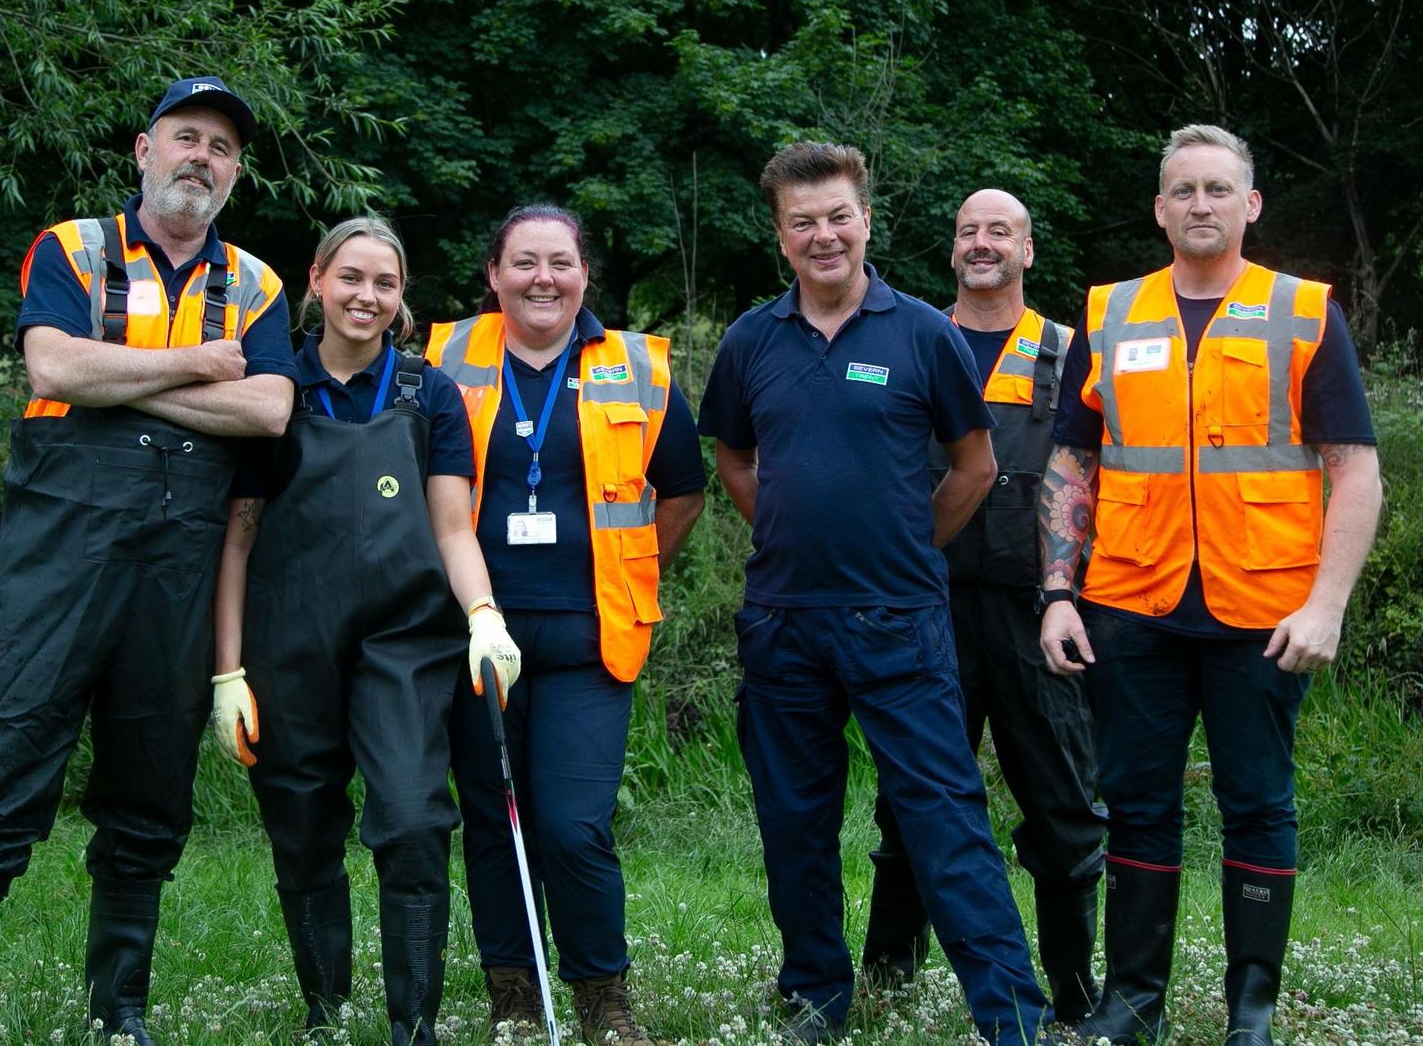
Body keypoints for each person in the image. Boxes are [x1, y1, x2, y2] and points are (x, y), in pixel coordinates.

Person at [0, 77, 298, 1046]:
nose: (202, 157)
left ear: (235, 173)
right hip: (60, 563)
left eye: (222, 148)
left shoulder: (258, 285)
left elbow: (269, 410)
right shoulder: (71, 247)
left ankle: (120, 1012)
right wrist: (198, 365)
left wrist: (116, 379)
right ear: (144, 150)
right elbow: (54, 368)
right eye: (186, 137)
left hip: (177, 569)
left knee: (150, 795)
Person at [697, 143, 1051, 1045]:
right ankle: (816, 998)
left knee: (946, 820)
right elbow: (733, 458)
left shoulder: (923, 333)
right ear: (780, 236)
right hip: (782, 623)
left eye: (838, 216)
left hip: (899, 622)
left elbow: (976, 465)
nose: (824, 235)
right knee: (795, 824)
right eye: (803, 222)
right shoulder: (750, 341)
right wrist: (787, 526)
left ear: (866, 220)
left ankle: (1013, 1016)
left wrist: (904, 544)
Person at [1037, 124, 1383, 1046]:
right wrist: (1059, 591)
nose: (1201, 204)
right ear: (1160, 209)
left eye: (1218, 189)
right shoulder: (1111, 313)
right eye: (1183, 190)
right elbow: (1073, 459)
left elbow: (1355, 468)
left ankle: (1250, 1013)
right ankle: (1131, 1004)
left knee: (1259, 803)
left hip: (1265, 612)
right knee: (1136, 802)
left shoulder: (1302, 310)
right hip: (1130, 606)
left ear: (1250, 204)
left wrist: (1327, 605)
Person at [205, 216, 516, 1046]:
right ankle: (326, 1009)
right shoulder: (276, 388)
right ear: (316, 279)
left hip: (405, 640)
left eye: (385, 282)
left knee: (414, 818)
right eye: (350, 277)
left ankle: (414, 1022)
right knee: (302, 822)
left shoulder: (428, 393)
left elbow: (452, 528)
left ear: (402, 295)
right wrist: (227, 671)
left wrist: (483, 613)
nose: (366, 296)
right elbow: (237, 538)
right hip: (287, 640)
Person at [426, 204, 706, 1046]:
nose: (542, 278)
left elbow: (684, 490)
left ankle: (600, 993)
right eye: (523, 262)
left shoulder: (639, 367)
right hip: (477, 635)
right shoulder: (444, 358)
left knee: (572, 824)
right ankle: (513, 988)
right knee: (493, 818)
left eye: (560, 261)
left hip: (591, 637)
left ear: (585, 273)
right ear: (494, 274)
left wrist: (630, 569)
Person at [859, 189, 1106, 1027]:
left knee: (1065, 802)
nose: (982, 243)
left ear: (1027, 250)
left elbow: (1097, 472)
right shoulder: (911, 338)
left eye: (1000, 231)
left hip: (1039, 613)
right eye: (968, 231)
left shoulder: (1069, 351)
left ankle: (1074, 993)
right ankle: (888, 978)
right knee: (910, 798)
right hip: (923, 608)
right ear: (952, 249)